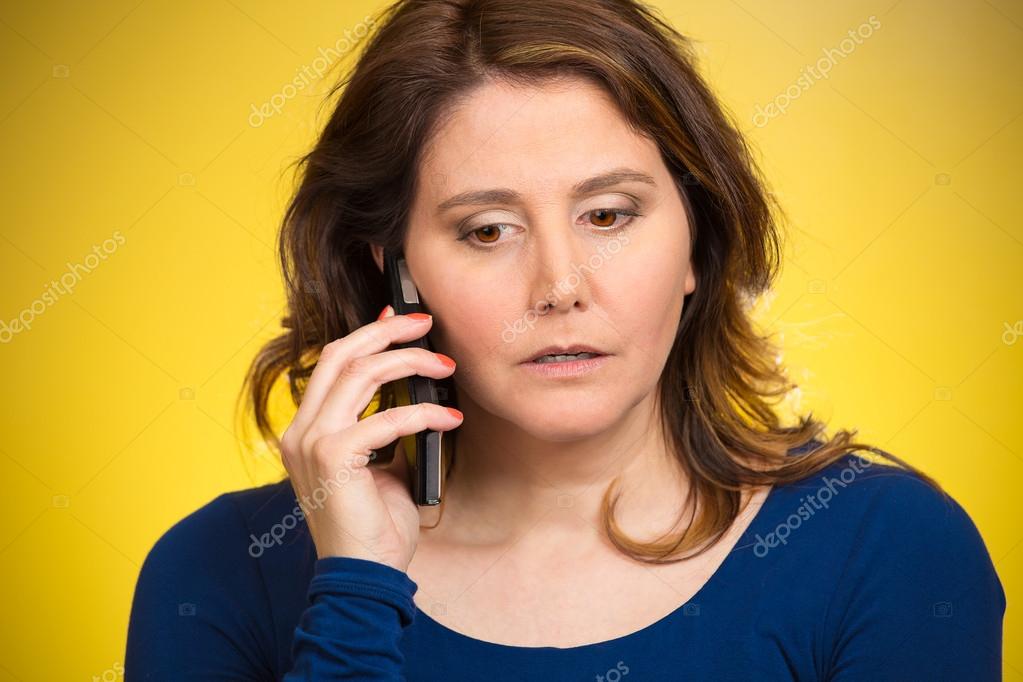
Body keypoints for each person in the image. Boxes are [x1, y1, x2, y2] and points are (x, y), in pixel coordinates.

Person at [124, 0, 1005, 679]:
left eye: (608, 214)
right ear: (396, 271)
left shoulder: (884, 549)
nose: (559, 287)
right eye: (486, 230)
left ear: (694, 244)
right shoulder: (222, 572)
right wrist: (354, 594)